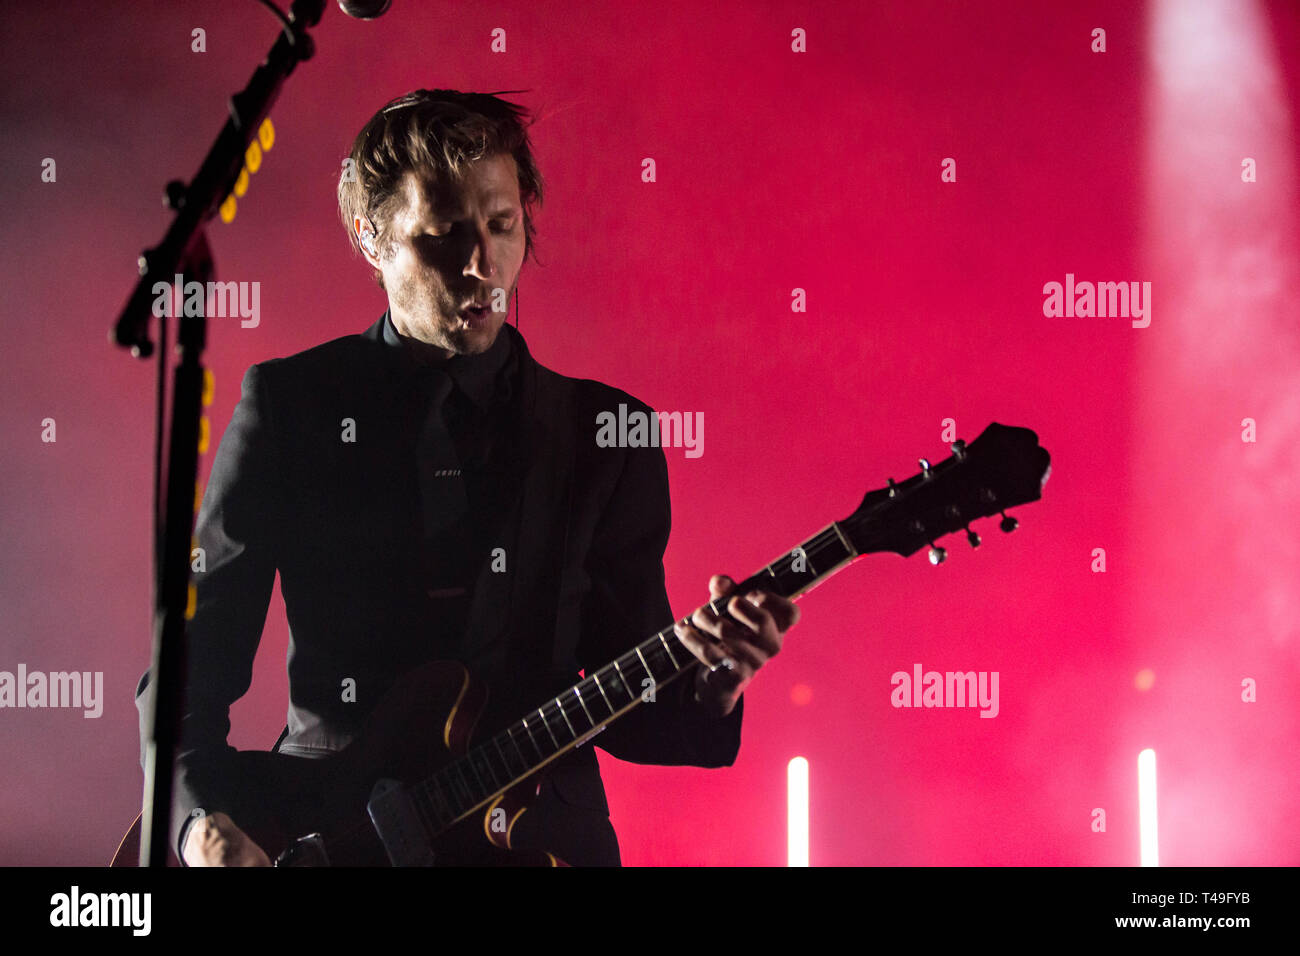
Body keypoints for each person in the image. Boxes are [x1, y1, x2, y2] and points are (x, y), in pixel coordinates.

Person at [134, 88, 800, 867]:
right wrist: (198, 828)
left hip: (543, 844)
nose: (483, 264)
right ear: (371, 237)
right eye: (444, 233)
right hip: (326, 840)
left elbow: (636, 711)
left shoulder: (605, 435)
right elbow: (190, 666)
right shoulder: (292, 408)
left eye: (503, 225)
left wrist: (712, 681)